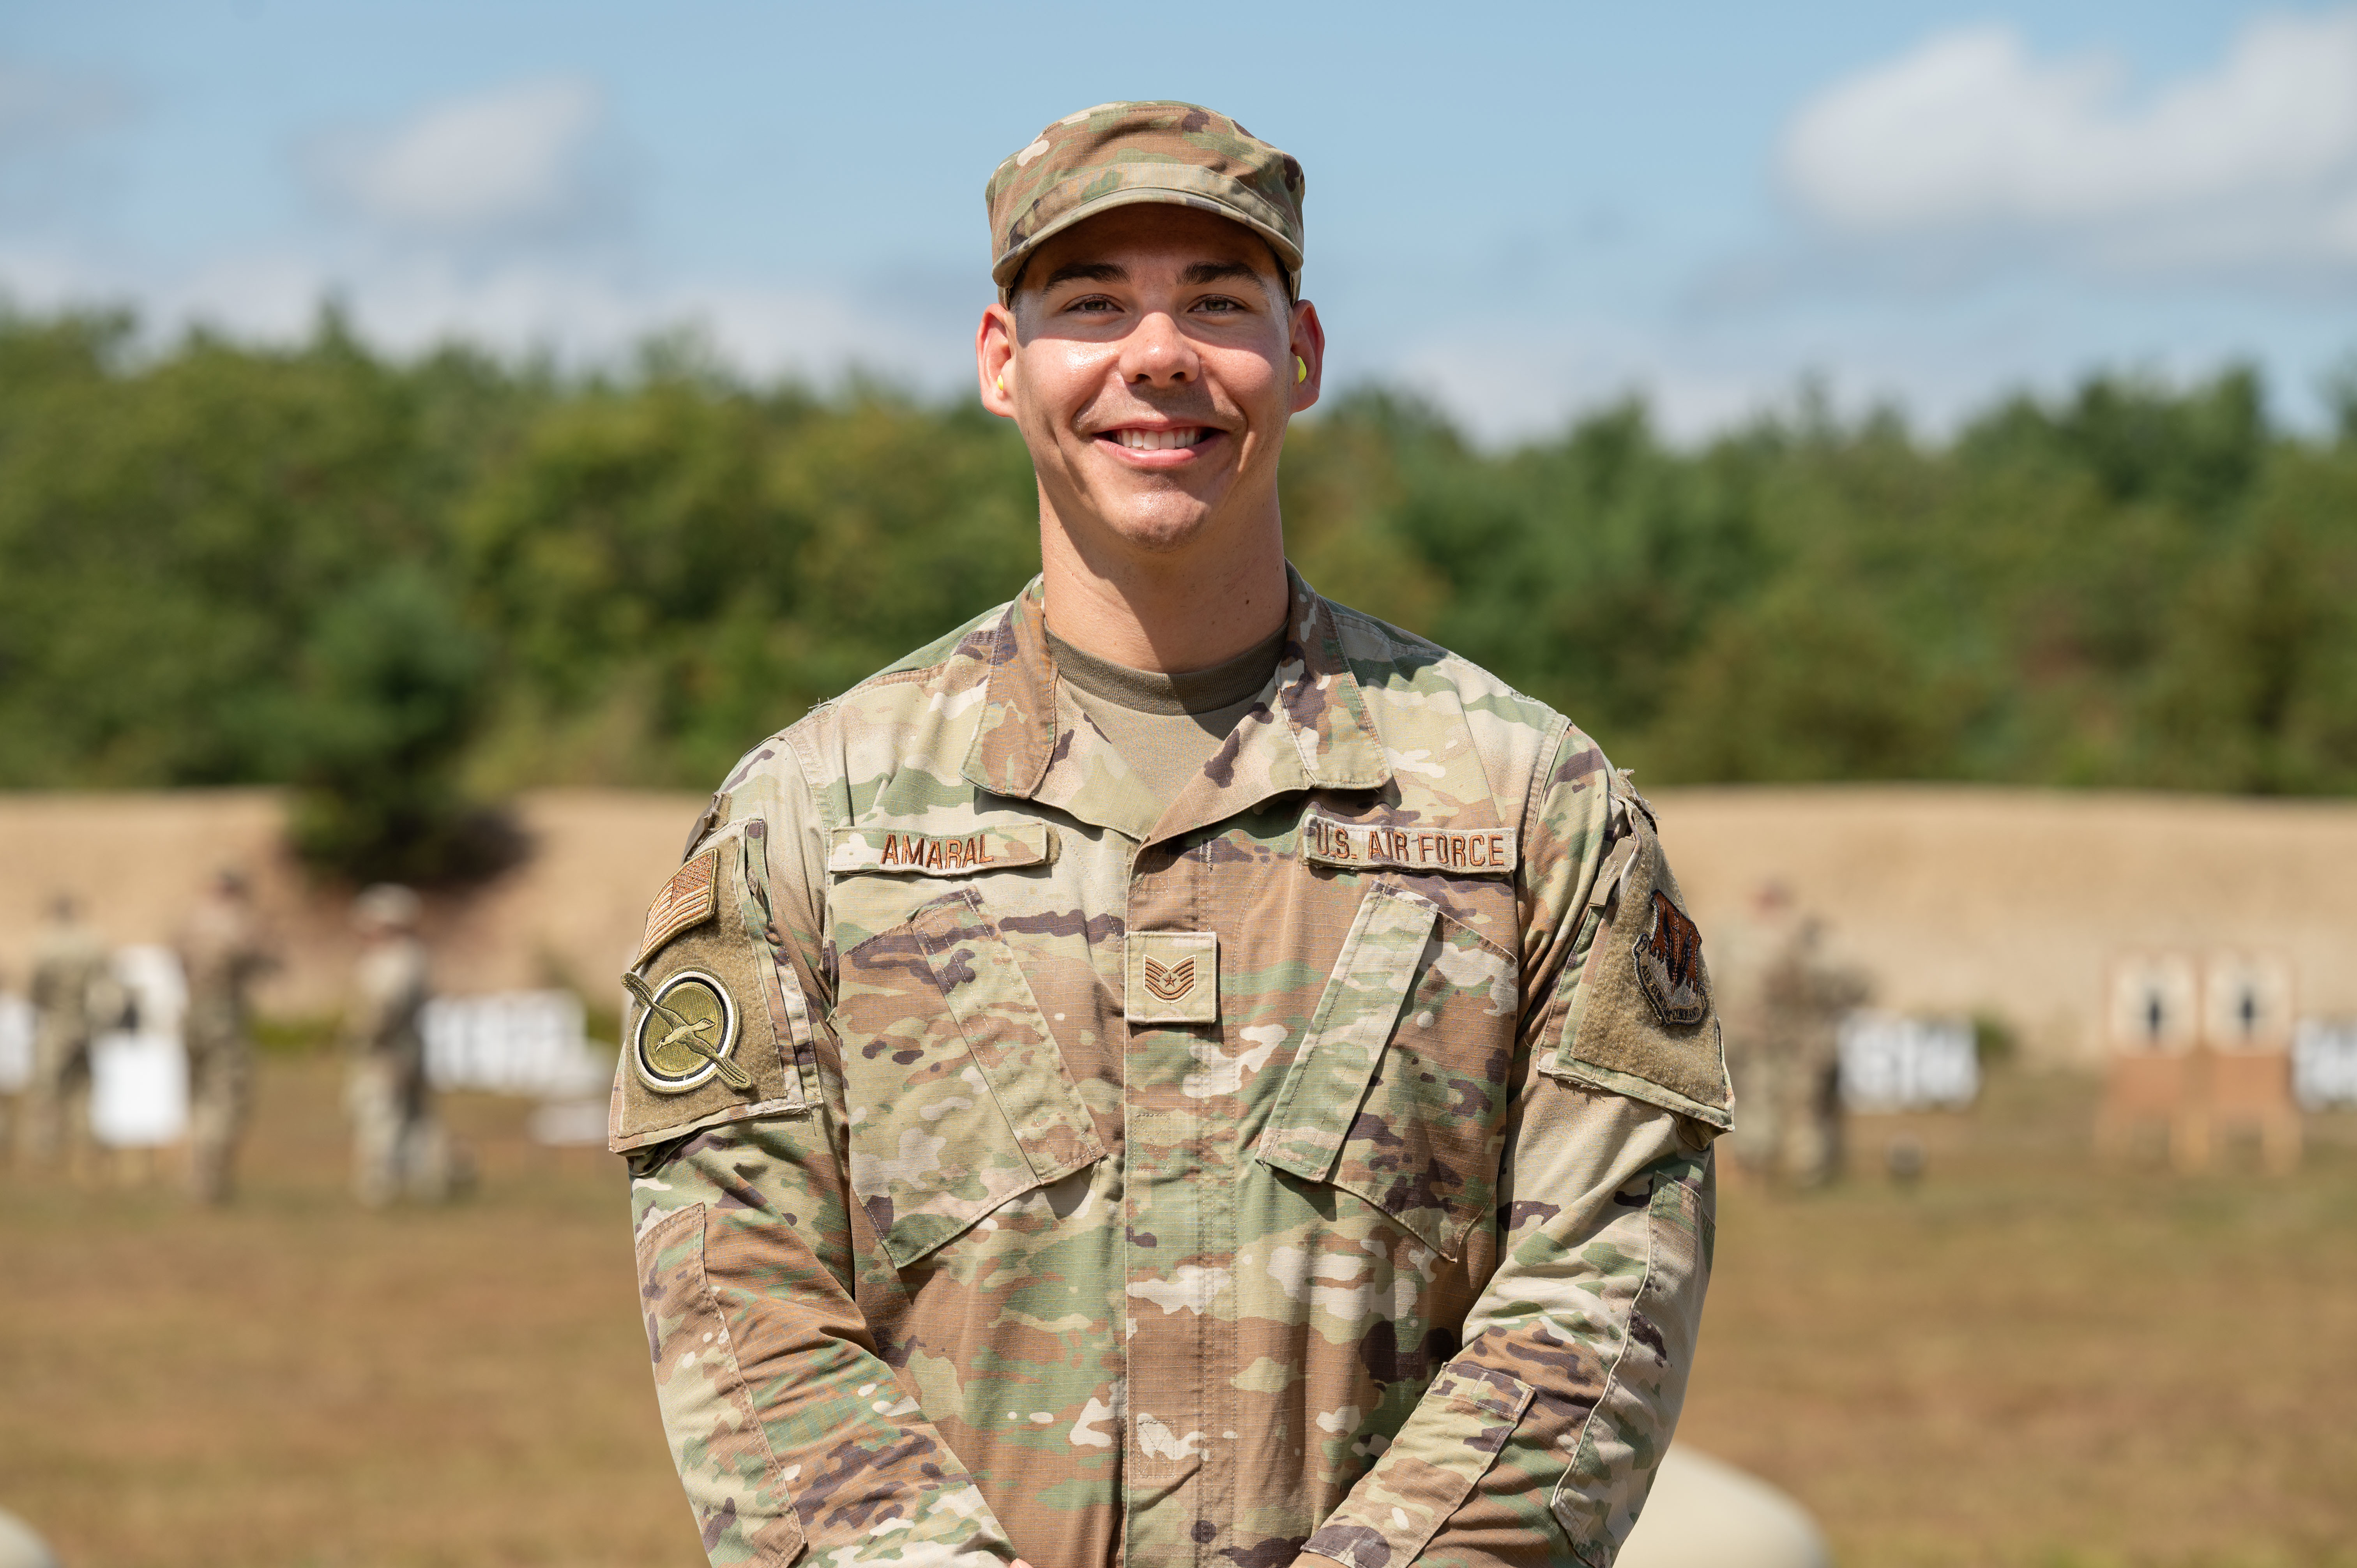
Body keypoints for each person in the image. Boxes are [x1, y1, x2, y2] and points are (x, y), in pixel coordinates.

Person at [614, 102, 1731, 1568]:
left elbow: (1601, 1286)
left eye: (1217, 301)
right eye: (1089, 304)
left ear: (1302, 353)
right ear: (1001, 364)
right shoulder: (807, 817)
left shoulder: (1522, 802)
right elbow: (738, 1297)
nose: (1157, 357)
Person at [1717, 882, 1866, 1188]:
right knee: (1792, 1104)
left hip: (1778, 1036)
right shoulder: (1798, 938)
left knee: (1780, 1102)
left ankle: (1773, 1165)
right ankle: (1794, 1168)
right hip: (1780, 1036)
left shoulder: (1751, 938)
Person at [343, 883, 456, 1206]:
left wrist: (363, 1036)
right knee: (413, 1120)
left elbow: (383, 1009)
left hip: (387, 1053)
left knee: (383, 1118)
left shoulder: (396, 960)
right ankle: (428, 1183)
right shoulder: (411, 957)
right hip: (405, 1050)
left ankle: (382, 1187)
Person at [177, 869, 276, 1202]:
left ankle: (195, 1174)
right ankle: (209, 1181)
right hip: (225, 1018)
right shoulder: (241, 923)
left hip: (193, 1014)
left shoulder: (191, 919)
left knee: (199, 1097)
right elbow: (266, 964)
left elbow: (178, 959)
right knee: (226, 1101)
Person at [23, 894, 115, 1175]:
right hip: (83, 1025)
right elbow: (106, 984)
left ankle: (46, 1150)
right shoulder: (92, 944)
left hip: (56, 1023)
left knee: (47, 1089)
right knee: (82, 1090)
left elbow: (36, 989)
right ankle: (86, 1147)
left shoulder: (47, 945)